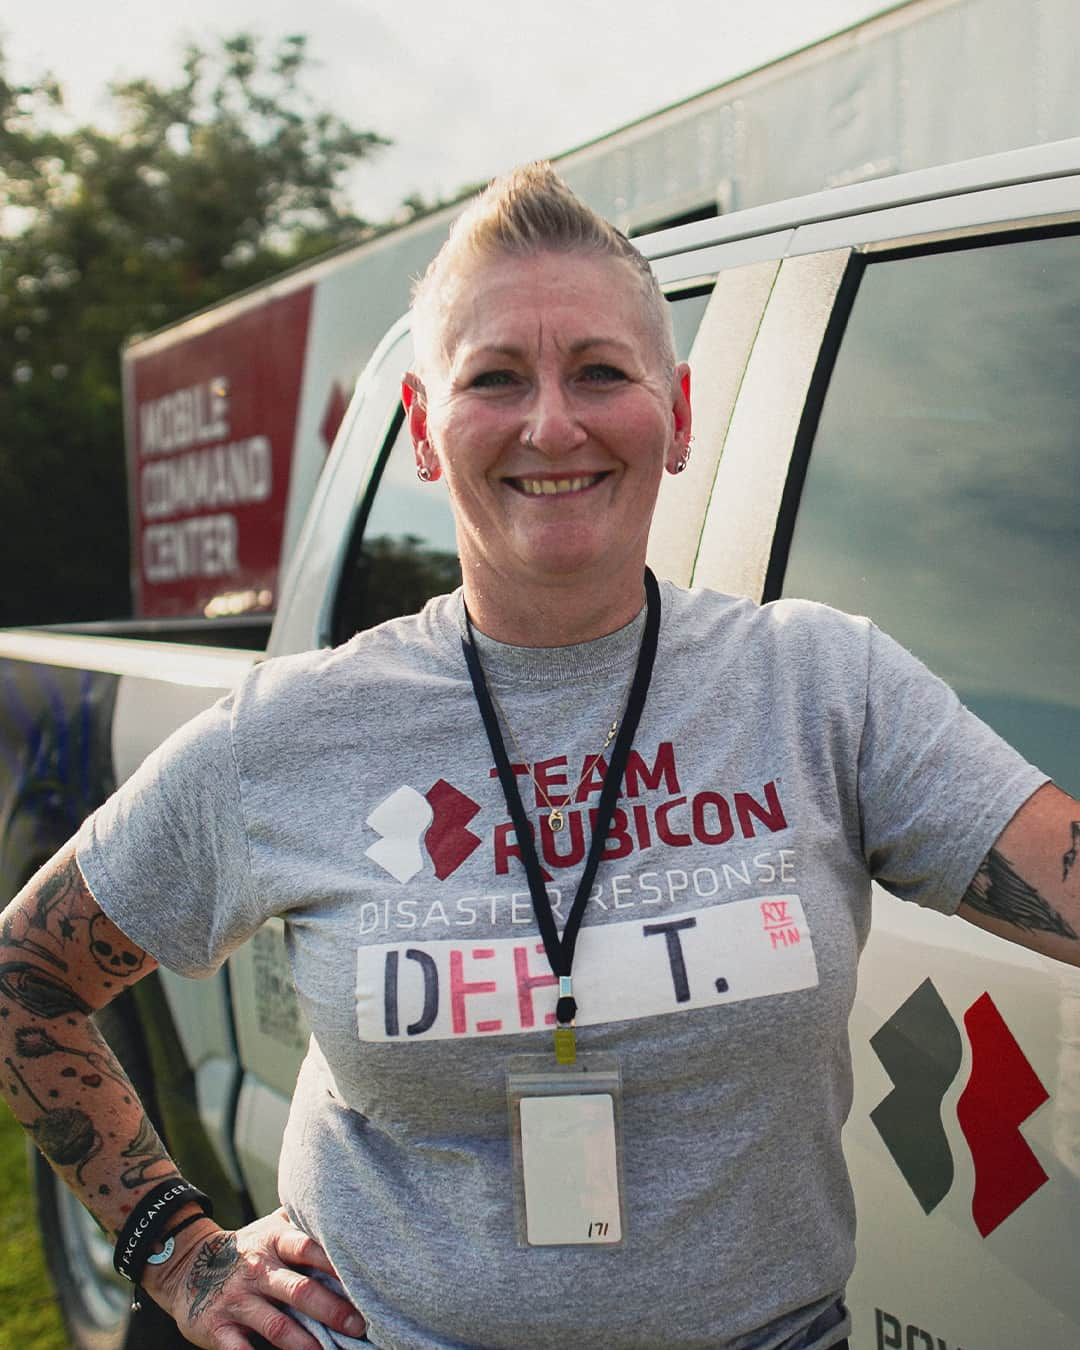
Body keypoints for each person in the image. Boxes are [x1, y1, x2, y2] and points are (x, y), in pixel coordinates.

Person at [1, 162, 1078, 1350]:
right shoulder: (292, 732)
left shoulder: (826, 689)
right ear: (424, 429)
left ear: (676, 416)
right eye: (496, 377)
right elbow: (25, 976)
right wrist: (172, 1243)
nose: (553, 424)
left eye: (601, 373)